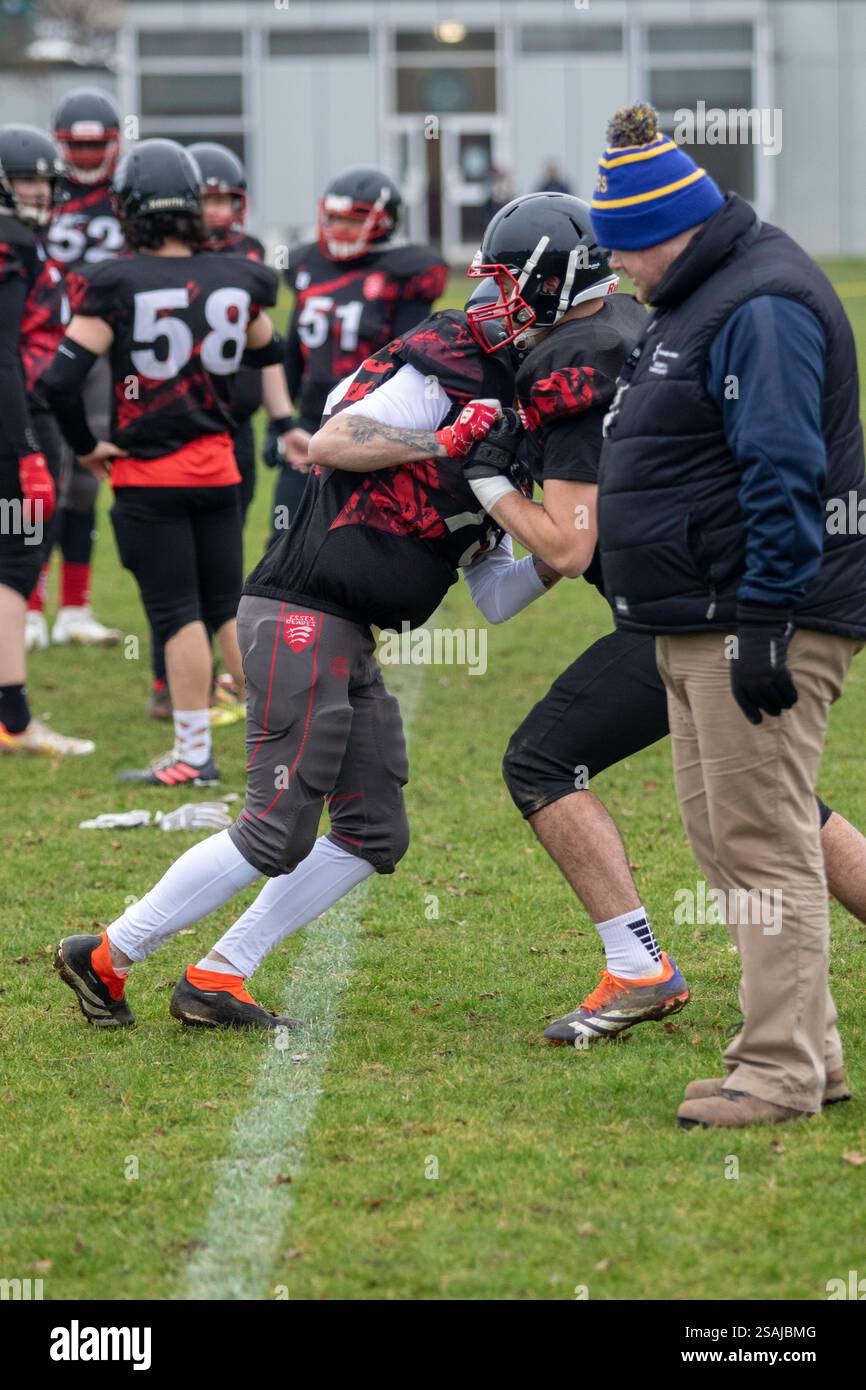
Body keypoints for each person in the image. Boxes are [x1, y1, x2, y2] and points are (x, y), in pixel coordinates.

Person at [52, 299, 558, 1030]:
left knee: (375, 831)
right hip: (301, 615)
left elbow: (498, 597)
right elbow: (331, 440)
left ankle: (217, 975)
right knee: (273, 830)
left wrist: (566, 549)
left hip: (346, 631)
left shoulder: (501, 450)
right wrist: (445, 439)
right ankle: (106, 953)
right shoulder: (440, 385)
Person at [460, 189, 866, 1059]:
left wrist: (487, 485)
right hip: (711, 600)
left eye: (503, 279)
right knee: (778, 804)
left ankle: (641, 969)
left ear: (545, 277)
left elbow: (570, 546)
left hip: (690, 612)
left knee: (540, 760)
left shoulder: (572, 354)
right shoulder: (626, 331)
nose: (494, 298)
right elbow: (531, 577)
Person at [591, 103, 866, 1128]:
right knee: (730, 843)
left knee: (760, 847)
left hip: (753, 617)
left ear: (664, 232)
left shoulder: (760, 301)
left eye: (622, 253)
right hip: (697, 615)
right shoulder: (710, 292)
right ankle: (805, 1055)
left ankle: (780, 1072)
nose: (616, 273)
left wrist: (763, 617)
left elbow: (782, 465)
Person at [41, 138, 295, 789]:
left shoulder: (113, 282)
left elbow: (59, 383)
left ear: (129, 208)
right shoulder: (240, 274)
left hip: (151, 480)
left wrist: (86, 443)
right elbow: (274, 350)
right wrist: (284, 416)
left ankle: (193, 753)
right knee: (224, 605)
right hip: (220, 470)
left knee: (178, 615)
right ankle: (279, 742)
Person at [144, 142, 294, 723]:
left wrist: (278, 418)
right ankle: (174, 683)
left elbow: (264, 341)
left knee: (220, 560)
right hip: (176, 428)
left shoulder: (247, 256)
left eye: (223, 199)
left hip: (233, 427)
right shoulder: (164, 260)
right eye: (203, 199)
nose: (213, 211)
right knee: (177, 570)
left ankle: (227, 679)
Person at [270, 166, 449, 542]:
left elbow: (408, 362)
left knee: (354, 543)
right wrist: (280, 428)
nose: (338, 228)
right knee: (284, 542)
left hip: (368, 421)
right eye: (332, 217)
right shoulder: (308, 264)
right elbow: (291, 354)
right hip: (308, 423)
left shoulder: (406, 270)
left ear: (383, 222)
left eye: (350, 220)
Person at [0, 123, 94, 757]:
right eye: (27, 179)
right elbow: (3, 354)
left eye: (43, 180)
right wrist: (26, 447)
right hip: (14, 423)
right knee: (14, 563)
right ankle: (14, 720)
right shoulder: (14, 244)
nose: (39, 191)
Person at [33, 86, 125, 649]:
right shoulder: (41, 190)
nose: (87, 159)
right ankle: (27, 602)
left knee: (86, 481)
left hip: (105, 351)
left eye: (97, 148)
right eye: (78, 148)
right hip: (43, 343)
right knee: (39, 476)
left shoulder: (129, 193)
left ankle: (74, 605)